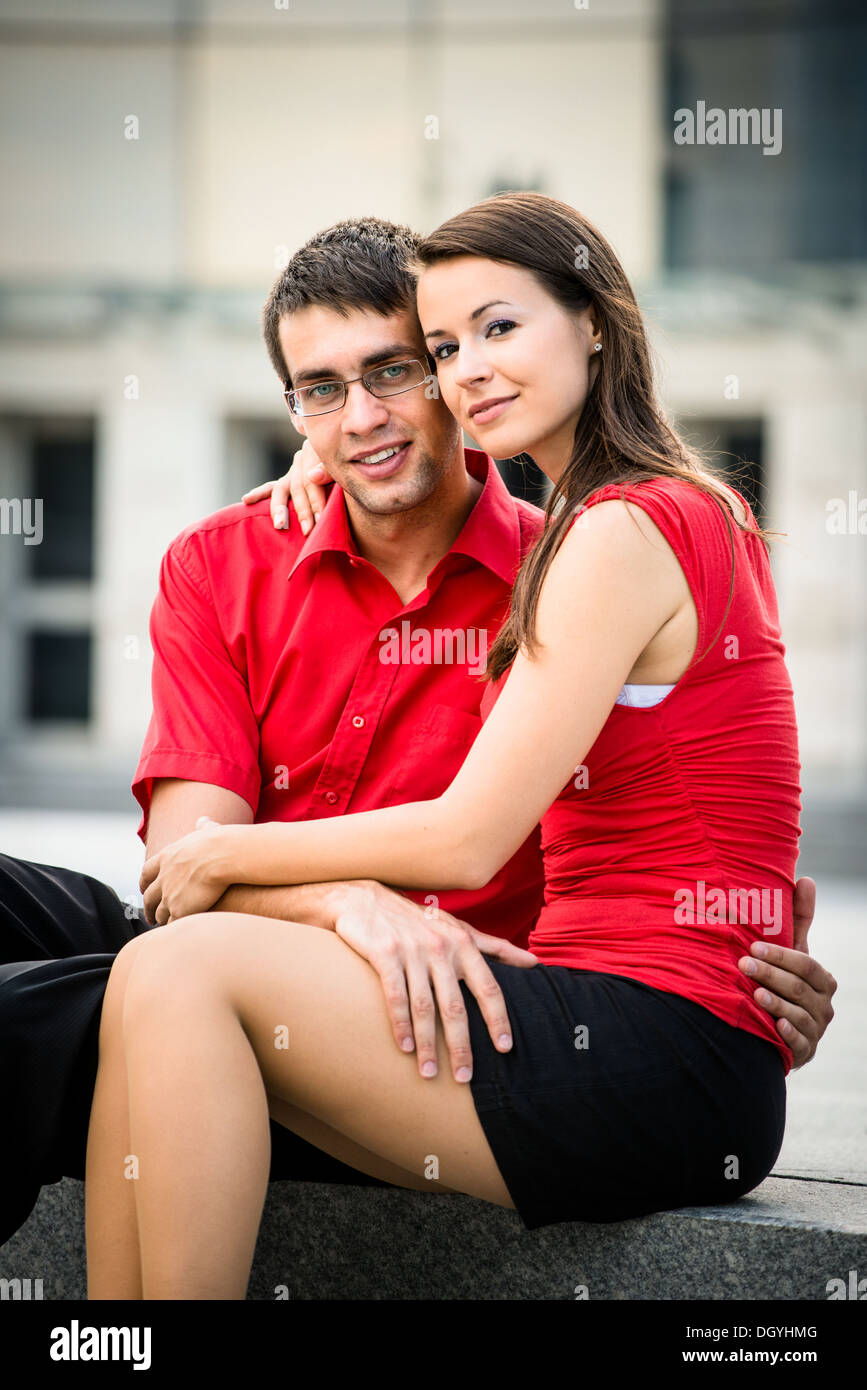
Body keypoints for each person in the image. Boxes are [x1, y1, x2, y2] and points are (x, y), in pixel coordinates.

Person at [0, 216, 831, 1257]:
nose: (464, 372)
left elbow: (468, 839)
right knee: (151, 958)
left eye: (413, 363)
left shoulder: (598, 541)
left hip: (535, 1011)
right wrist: (343, 902)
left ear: (597, 326)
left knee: (149, 983)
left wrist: (220, 857)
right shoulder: (243, 554)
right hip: (399, 975)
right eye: (448, 348)